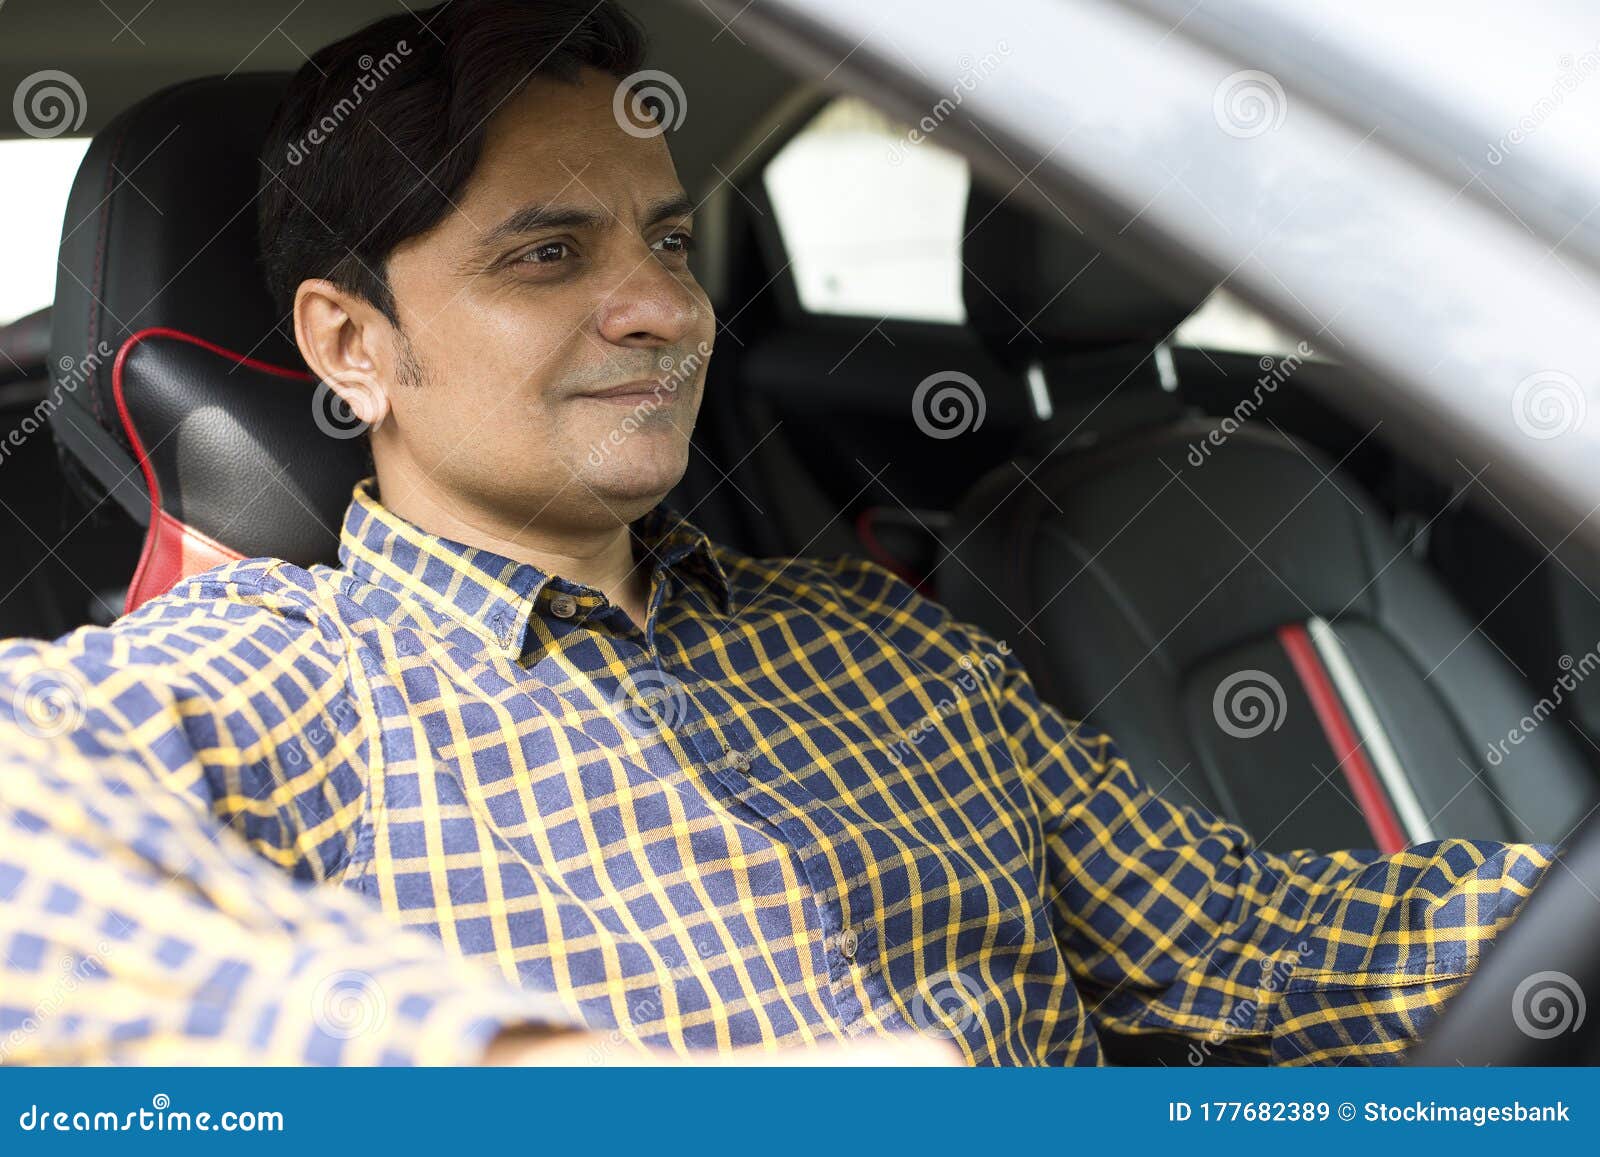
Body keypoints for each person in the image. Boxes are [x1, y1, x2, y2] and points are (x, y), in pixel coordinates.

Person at [0, 0, 1551, 1066]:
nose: (669, 306)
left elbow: (1247, 938)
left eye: (669, 239)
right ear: (350, 345)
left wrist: (1544, 932)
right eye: (549, 254)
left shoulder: (883, 648)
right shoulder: (285, 681)